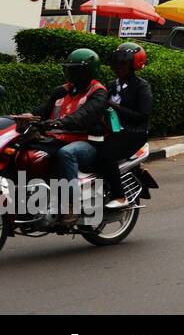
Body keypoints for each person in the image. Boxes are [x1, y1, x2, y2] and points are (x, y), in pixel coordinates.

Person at [11, 48, 111, 225]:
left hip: (86, 142)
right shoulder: (62, 90)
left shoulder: (98, 92)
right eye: (69, 69)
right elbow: (42, 109)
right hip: (56, 139)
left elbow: (85, 114)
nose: (71, 73)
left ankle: (71, 205)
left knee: (66, 154)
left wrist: (61, 122)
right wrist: (26, 116)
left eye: (76, 70)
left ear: (88, 71)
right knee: (22, 151)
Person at [96, 42, 153, 209]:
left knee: (105, 156)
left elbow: (143, 115)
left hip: (133, 132)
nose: (119, 66)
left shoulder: (141, 86)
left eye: (124, 63)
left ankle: (120, 196)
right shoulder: (111, 85)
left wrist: (116, 107)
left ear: (134, 65)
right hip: (110, 130)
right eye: (116, 62)